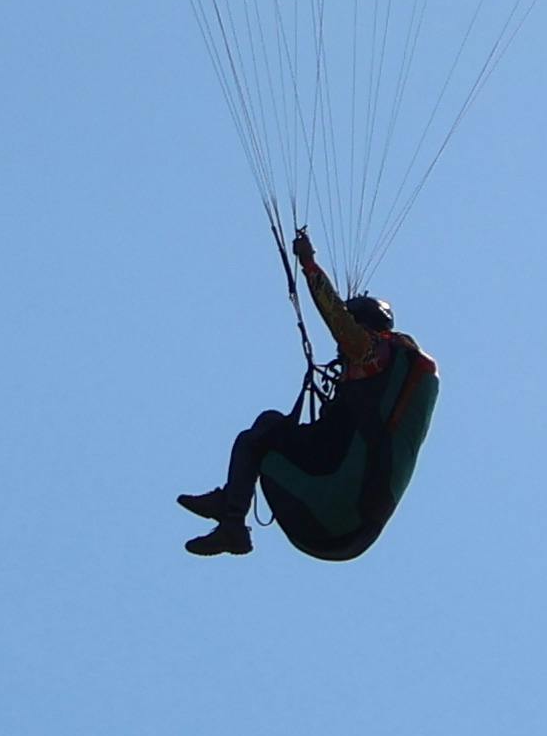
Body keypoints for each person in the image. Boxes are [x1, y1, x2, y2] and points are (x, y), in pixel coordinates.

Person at [182, 230, 438, 561]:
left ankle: (232, 520)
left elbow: (338, 321)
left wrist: (307, 262)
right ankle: (230, 507)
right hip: (350, 515)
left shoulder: (373, 352)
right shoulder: (397, 372)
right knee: (269, 426)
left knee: (256, 439)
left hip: (336, 511)